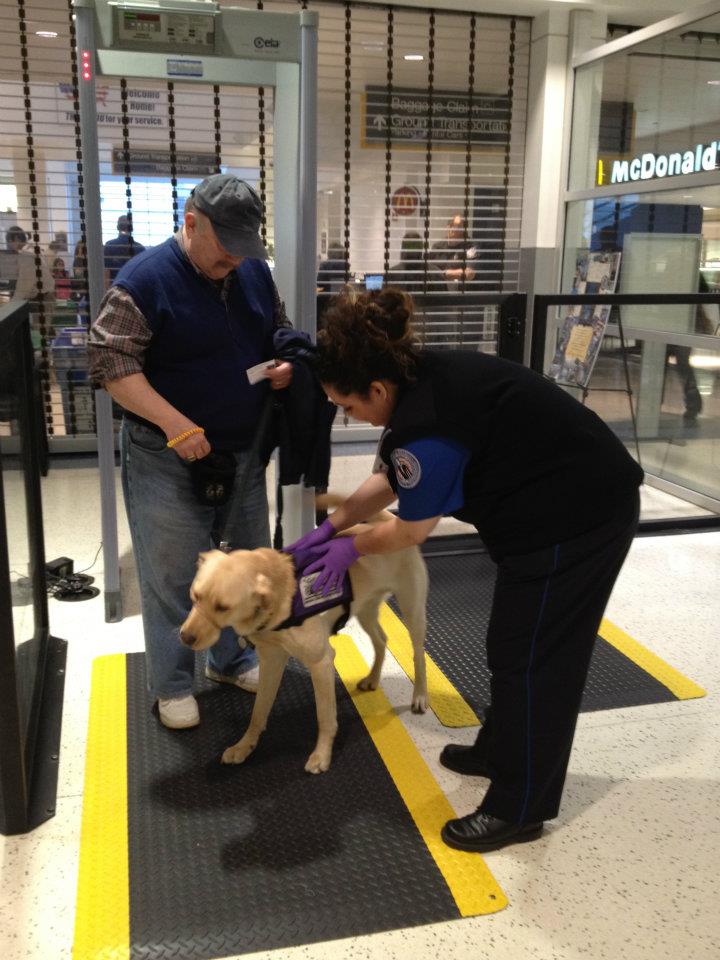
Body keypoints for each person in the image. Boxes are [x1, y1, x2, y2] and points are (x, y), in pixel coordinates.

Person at [286, 287, 643, 853]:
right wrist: (330, 528)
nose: (345, 415)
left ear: (375, 389)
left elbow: (409, 530)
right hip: (546, 509)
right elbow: (389, 481)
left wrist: (349, 549)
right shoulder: (414, 387)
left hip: (578, 517)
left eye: (347, 406)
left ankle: (518, 806)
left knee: (535, 659)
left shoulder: (425, 424)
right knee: (512, 645)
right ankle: (500, 751)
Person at [87, 174, 293, 730]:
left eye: (244, 247)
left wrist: (286, 365)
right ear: (191, 222)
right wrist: (176, 424)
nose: (235, 260)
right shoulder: (143, 281)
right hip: (165, 453)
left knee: (244, 569)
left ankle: (232, 659)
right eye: (225, 247)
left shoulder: (251, 270)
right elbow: (110, 364)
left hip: (242, 450)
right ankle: (173, 684)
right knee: (173, 575)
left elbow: (279, 331)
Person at [429, 215, 482, 288]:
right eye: (452, 225)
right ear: (448, 227)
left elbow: (469, 274)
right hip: (438, 291)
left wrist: (444, 274)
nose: (454, 228)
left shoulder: (470, 247)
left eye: (459, 226)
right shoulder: (437, 246)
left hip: (459, 293)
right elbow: (428, 268)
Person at [103, 214, 146, 287]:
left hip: (115, 289)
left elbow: (107, 273)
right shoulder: (140, 248)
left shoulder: (109, 246)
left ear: (117, 227)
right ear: (131, 228)